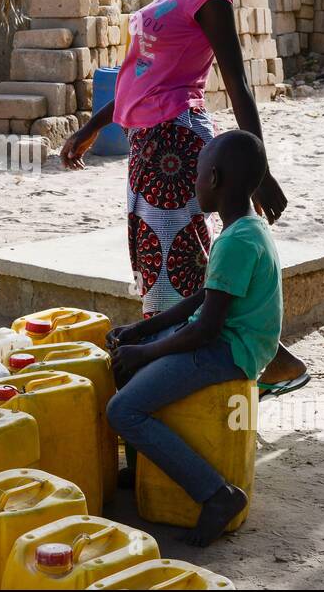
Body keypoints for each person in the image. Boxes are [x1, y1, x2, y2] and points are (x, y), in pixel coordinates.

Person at [59, 0, 305, 417]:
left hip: (177, 142)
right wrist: (94, 126)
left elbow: (237, 82)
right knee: (167, 260)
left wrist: (259, 169)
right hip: (150, 142)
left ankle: (174, 388)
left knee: (172, 265)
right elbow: (139, 76)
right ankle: (251, 362)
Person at [106, 130, 280, 546]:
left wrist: (145, 351)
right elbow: (205, 297)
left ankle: (216, 494)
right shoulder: (246, 229)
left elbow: (206, 329)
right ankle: (148, 460)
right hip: (227, 337)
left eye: (198, 174)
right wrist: (142, 329)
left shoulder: (235, 241)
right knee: (128, 356)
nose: (193, 183)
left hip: (230, 351)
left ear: (215, 179)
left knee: (122, 411)